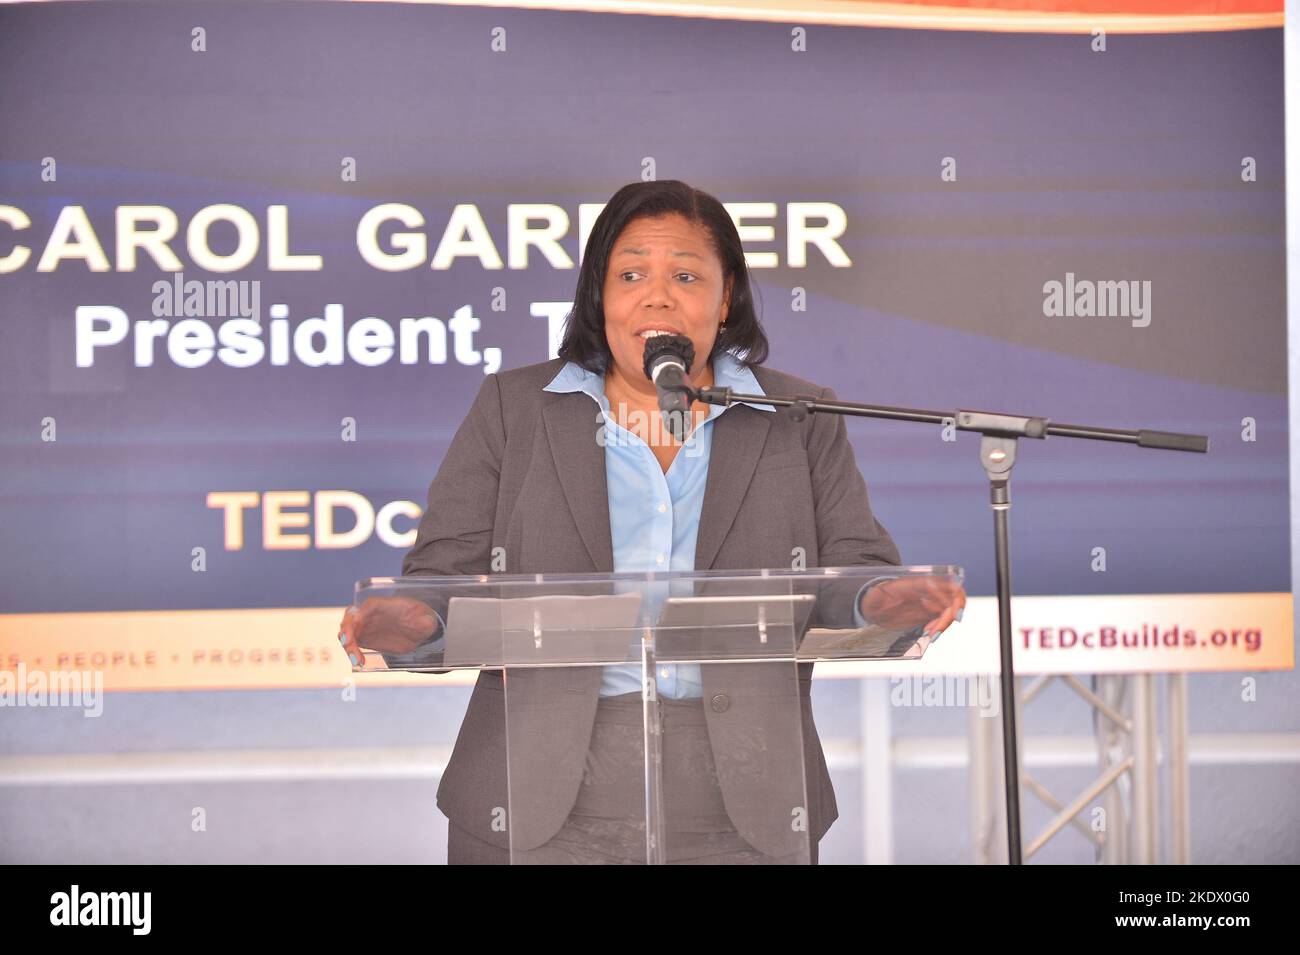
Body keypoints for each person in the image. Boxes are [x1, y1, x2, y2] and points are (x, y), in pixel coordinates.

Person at [339, 179, 965, 864]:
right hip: (536, 795)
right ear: (598, 296)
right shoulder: (514, 409)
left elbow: (853, 569)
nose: (657, 295)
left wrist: (887, 599)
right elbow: (440, 577)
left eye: (686, 275)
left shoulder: (798, 416)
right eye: (631, 273)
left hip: (746, 795)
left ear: (725, 299)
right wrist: (410, 620)